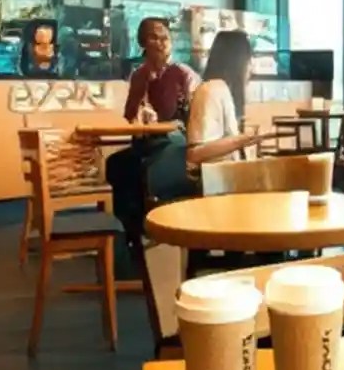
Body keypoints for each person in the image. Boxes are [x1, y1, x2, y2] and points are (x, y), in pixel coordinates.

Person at [107, 18, 201, 250]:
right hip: (146, 142)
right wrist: (139, 108)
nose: (160, 43)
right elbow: (129, 114)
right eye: (153, 37)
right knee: (116, 164)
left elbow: (192, 117)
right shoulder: (139, 75)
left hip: (173, 145)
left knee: (142, 170)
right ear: (142, 42)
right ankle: (129, 234)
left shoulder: (182, 74)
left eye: (165, 38)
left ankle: (148, 232)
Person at [186, 30, 264, 171]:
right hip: (213, 182)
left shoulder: (223, 89)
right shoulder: (211, 89)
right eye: (248, 59)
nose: (252, 68)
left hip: (226, 177)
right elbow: (195, 154)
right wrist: (240, 140)